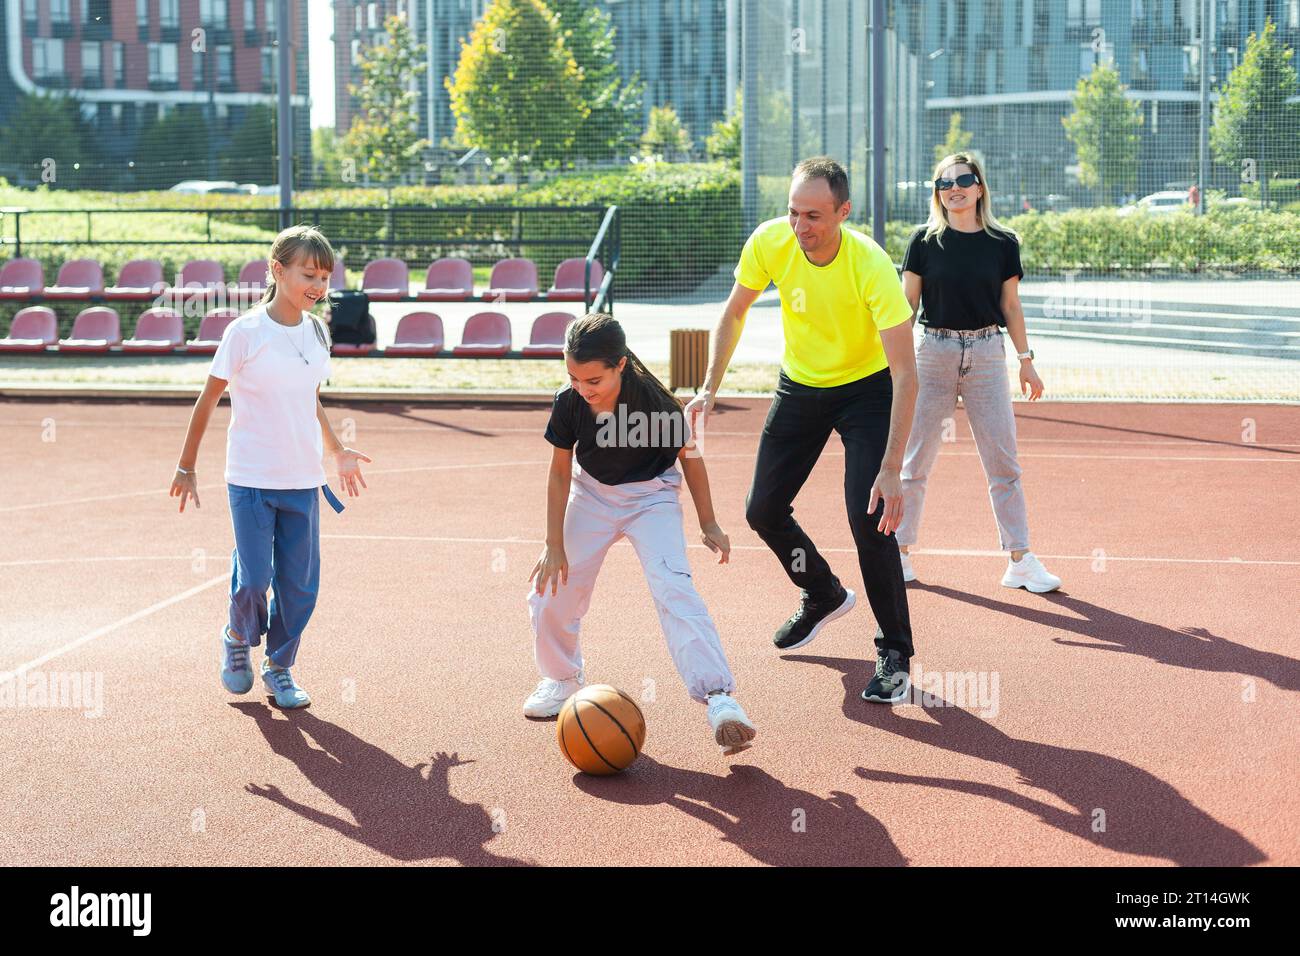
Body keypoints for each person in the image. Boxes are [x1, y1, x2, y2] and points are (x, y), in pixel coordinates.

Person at [686, 156, 919, 705]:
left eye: (813, 215)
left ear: (843, 211)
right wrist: (709, 386)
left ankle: (895, 652)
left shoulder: (871, 265)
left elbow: (907, 374)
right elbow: (735, 310)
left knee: (870, 519)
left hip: (867, 390)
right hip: (800, 386)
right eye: (793, 212)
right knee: (762, 509)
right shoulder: (771, 242)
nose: (800, 226)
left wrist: (891, 471)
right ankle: (821, 591)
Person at [524, 313, 757, 755]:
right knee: (549, 586)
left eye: (593, 379)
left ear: (621, 365)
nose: (582, 387)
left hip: (652, 498)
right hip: (590, 494)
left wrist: (708, 522)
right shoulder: (570, 402)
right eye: (573, 376)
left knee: (673, 587)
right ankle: (561, 678)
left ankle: (719, 699)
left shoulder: (657, 405)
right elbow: (558, 472)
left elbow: (690, 459)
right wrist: (553, 544)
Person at [170, 225, 372, 708]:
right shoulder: (245, 332)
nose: (319, 286)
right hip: (251, 479)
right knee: (257, 577)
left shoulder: (318, 330)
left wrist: (337, 449)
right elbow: (207, 398)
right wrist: (186, 465)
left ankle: (279, 667)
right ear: (278, 271)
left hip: (303, 480)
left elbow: (310, 399)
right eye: (309, 273)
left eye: (325, 276)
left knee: (300, 587)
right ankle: (238, 637)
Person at [895, 152, 1061, 593]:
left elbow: (1010, 306)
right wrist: (890, 365)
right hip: (933, 352)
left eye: (964, 180)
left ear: (980, 186)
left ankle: (1020, 561)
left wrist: (1027, 361)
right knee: (913, 462)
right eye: (944, 182)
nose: (954, 188)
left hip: (988, 353)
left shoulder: (1003, 242)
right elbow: (905, 308)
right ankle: (898, 553)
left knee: (1003, 463)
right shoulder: (923, 242)